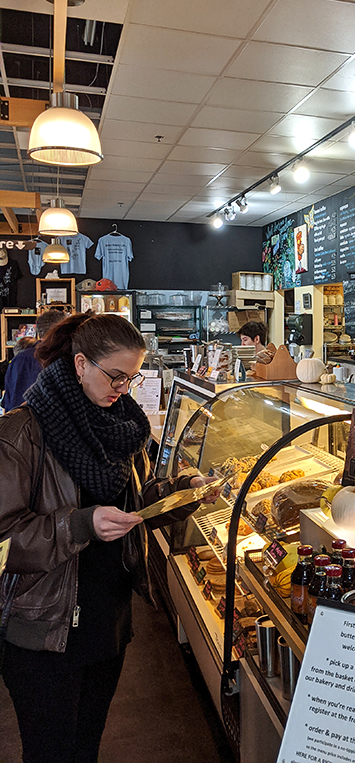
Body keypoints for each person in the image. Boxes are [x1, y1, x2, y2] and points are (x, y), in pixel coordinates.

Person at [0, 312, 220, 763]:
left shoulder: (124, 428)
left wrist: (178, 495)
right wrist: (80, 524)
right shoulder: (21, 433)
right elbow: (4, 544)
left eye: (133, 379)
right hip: (45, 634)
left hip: (108, 622)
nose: (123, 390)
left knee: (86, 749)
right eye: (116, 377)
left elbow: (132, 507)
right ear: (80, 365)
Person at [2, 308, 68, 412]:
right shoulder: (60, 359)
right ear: (58, 331)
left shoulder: (18, 360)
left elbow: (8, 403)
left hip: (18, 424)